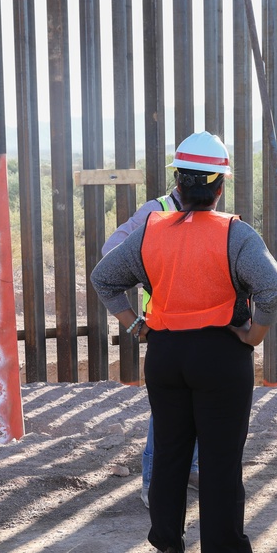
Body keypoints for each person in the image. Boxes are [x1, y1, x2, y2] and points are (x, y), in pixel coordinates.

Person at [90, 131, 277, 553]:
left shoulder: (150, 231)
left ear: (177, 182)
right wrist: (254, 333)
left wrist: (134, 324)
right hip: (219, 356)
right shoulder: (235, 232)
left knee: (171, 453)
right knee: (220, 461)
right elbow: (272, 289)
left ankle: (167, 547)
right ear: (220, 186)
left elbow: (104, 278)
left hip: (164, 355)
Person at [102, 178, 199, 509]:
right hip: (166, 326)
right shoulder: (156, 211)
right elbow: (111, 252)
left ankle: (193, 470)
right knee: (169, 410)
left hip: (199, 325)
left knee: (197, 404)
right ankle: (153, 482)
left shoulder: (204, 211)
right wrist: (151, 270)